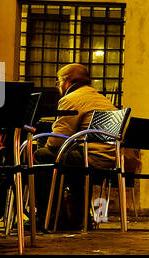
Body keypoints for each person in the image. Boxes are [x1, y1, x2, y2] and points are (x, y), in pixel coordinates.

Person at [34, 64, 120, 228]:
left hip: (89, 158)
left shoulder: (71, 99)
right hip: (109, 160)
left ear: (67, 82)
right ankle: (76, 217)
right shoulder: (101, 98)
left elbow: (56, 142)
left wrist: (43, 142)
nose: (59, 86)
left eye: (58, 82)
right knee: (64, 159)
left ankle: (49, 218)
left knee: (42, 156)